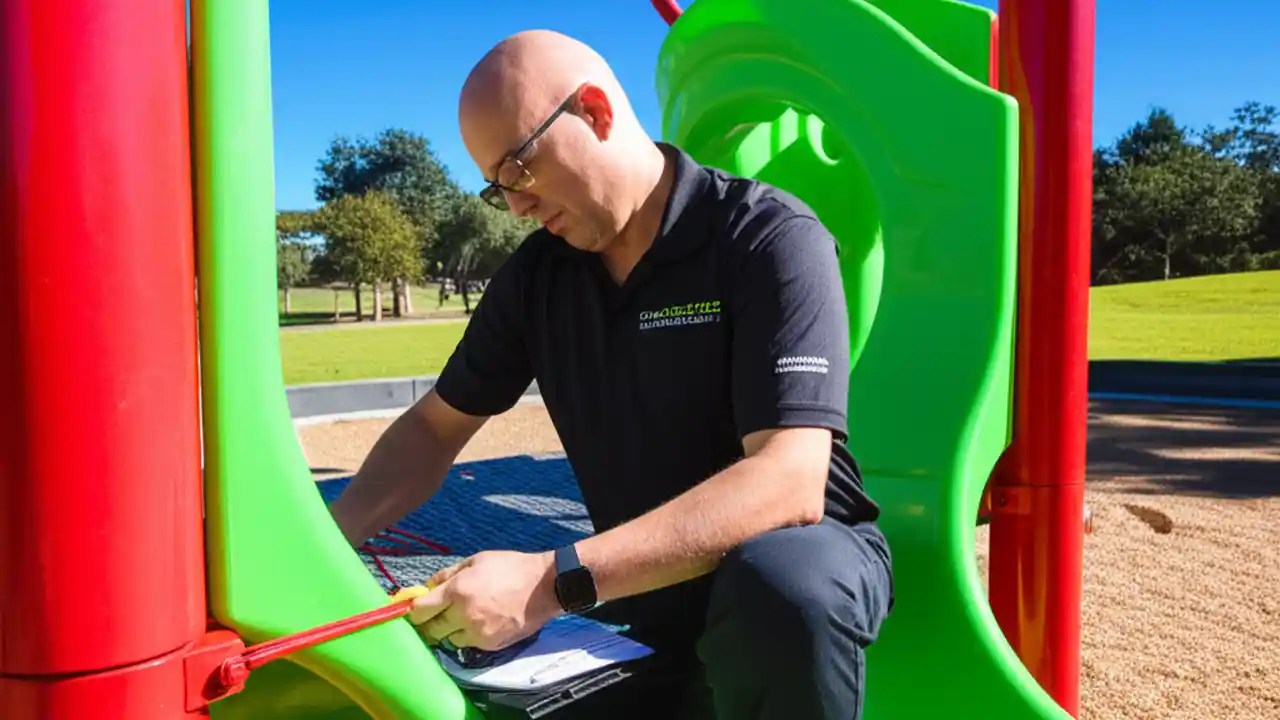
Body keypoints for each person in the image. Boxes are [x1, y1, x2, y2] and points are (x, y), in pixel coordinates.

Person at [327, 28, 894, 720]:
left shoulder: (767, 236)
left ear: (594, 110)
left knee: (781, 583)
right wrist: (329, 541)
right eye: (495, 189)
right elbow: (435, 427)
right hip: (635, 593)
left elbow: (788, 480)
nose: (515, 207)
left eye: (519, 169)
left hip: (802, 567)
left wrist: (551, 579)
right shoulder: (537, 279)